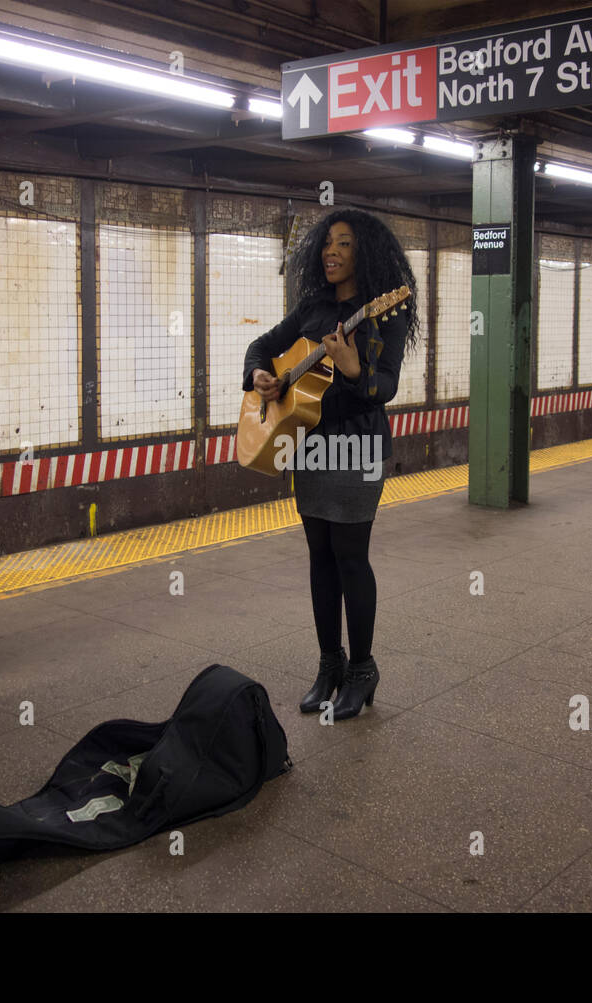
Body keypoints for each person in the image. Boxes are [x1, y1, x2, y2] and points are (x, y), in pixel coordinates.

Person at [243, 210, 418, 720]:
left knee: (350, 556)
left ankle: (363, 669)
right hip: (310, 446)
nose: (331, 252)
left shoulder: (386, 311)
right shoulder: (313, 308)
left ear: (364, 252)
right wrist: (259, 374)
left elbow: (382, 388)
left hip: (358, 448)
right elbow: (263, 346)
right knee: (319, 556)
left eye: (343, 244)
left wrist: (353, 367)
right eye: (327, 244)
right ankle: (329, 665)